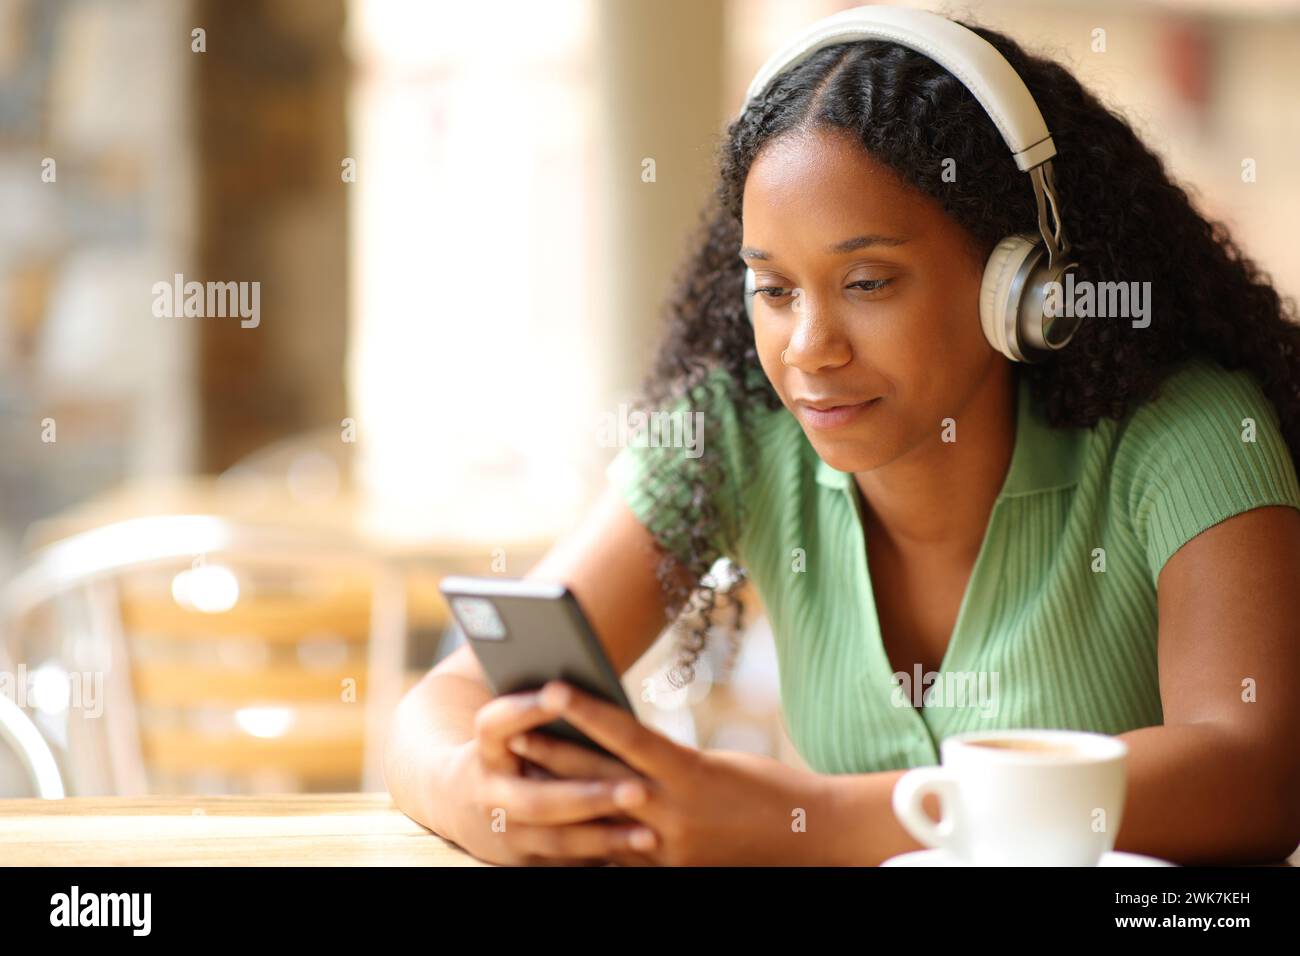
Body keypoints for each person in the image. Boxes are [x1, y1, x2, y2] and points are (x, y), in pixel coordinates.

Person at [384, 8, 1300, 866]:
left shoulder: (1191, 433)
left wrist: (814, 821)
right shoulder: (737, 435)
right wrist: (489, 800)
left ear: (1021, 286)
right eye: (774, 289)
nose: (809, 349)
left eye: (867, 283)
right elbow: (442, 704)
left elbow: (1254, 770)